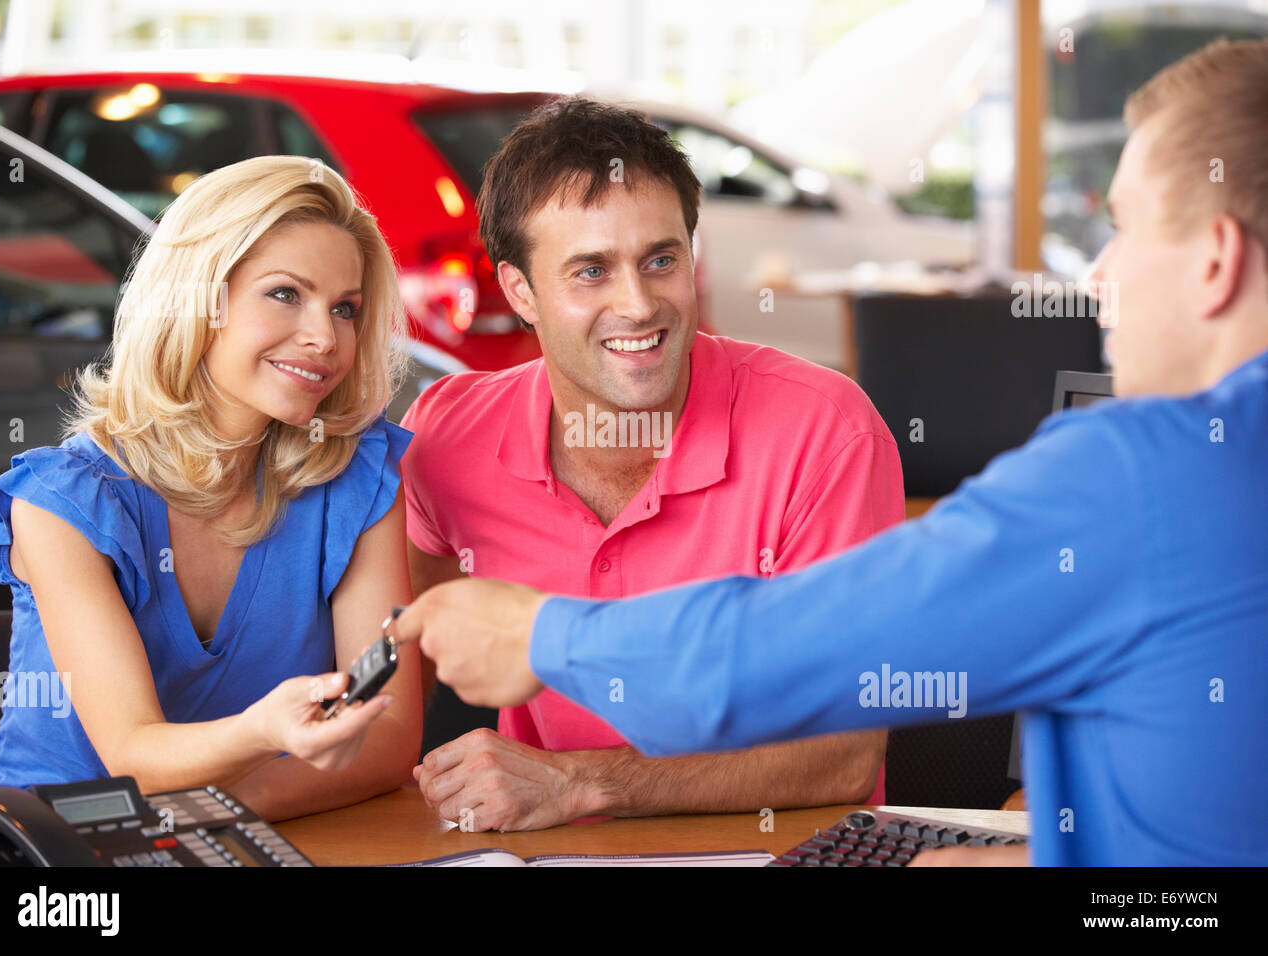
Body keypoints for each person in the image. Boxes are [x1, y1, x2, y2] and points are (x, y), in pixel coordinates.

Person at [394, 39, 1268, 865]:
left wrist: (545, 637)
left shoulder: (1138, 474)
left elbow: (790, 648)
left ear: (1216, 261)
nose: (1098, 276)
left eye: (1123, 230)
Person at [402, 97, 903, 832]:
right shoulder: (448, 434)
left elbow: (842, 755)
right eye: (591, 271)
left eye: (660, 260)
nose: (638, 305)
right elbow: (393, 669)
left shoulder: (826, 431)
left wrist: (582, 783)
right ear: (519, 291)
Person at [0, 156, 422, 822]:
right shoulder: (62, 500)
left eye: (346, 308)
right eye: (285, 294)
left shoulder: (354, 478)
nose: (325, 337)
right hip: (49, 847)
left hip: (252, 833)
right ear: (197, 297)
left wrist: (236, 805)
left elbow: (386, 740)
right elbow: (136, 756)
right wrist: (265, 735)